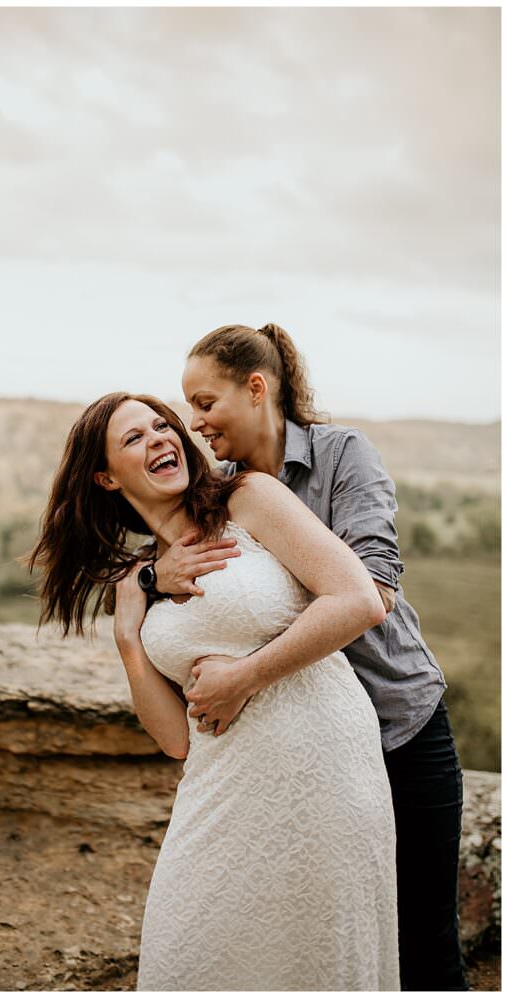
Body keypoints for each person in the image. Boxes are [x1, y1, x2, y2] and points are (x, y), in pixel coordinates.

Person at [29, 391, 399, 991]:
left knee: (315, 957)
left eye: (162, 425)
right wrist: (128, 635)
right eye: (133, 438)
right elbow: (176, 738)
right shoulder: (141, 577)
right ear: (104, 477)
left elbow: (358, 599)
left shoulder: (247, 498)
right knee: (187, 951)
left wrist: (244, 676)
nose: (159, 438)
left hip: (325, 764)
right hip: (219, 786)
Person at [145, 322, 466, 991]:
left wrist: (245, 672)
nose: (194, 423)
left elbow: (369, 589)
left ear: (256, 388)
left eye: (205, 403)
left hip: (399, 726)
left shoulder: (344, 454)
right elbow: (160, 551)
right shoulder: (222, 487)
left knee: (424, 945)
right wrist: (153, 578)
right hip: (307, 755)